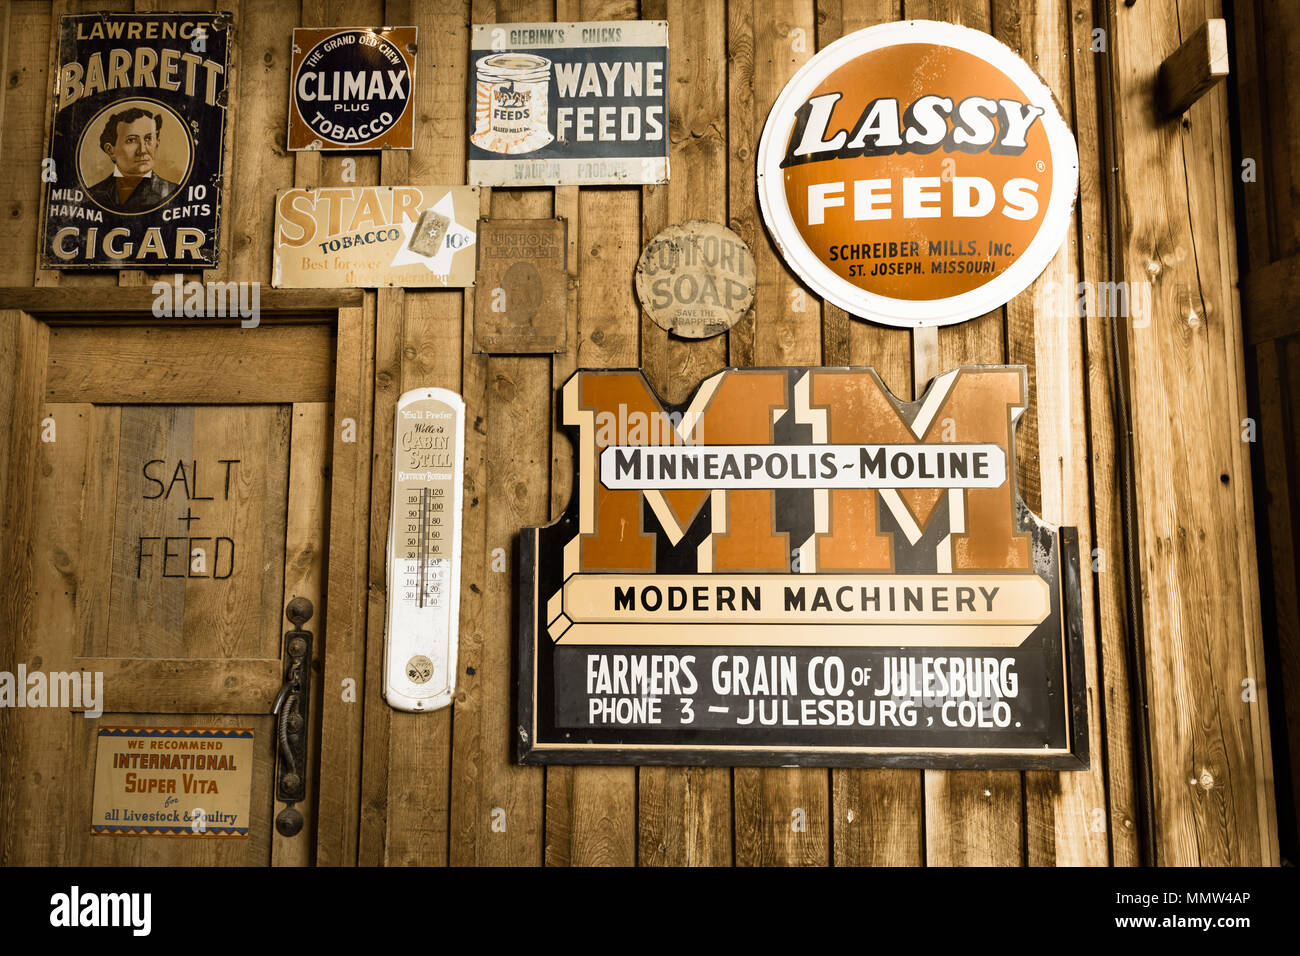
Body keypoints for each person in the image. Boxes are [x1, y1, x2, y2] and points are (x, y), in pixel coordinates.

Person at [86, 107, 179, 213]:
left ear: (157, 144)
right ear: (111, 150)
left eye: (149, 138)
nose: (142, 150)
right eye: (131, 140)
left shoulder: (174, 192)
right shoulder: (91, 195)